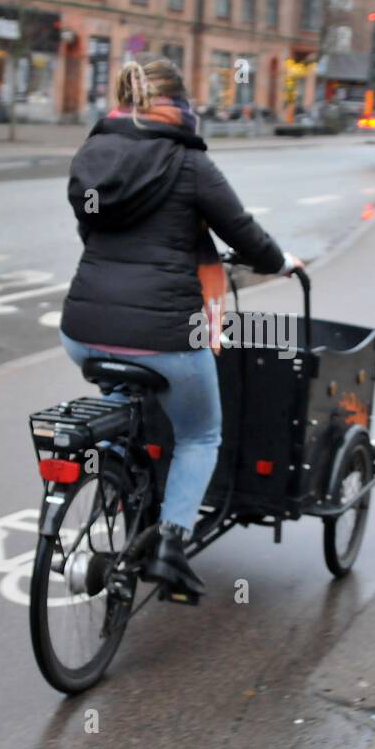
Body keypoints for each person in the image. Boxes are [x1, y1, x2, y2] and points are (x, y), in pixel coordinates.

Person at [59, 54, 302, 597]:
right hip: (167, 337)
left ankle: (119, 476)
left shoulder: (93, 154)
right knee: (199, 434)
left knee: (125, 407)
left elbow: (90, 231)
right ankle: (170, 543)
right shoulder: (189, 164)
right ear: (179, 106)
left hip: (81, 329)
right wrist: (279, 262)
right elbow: (243, 234)